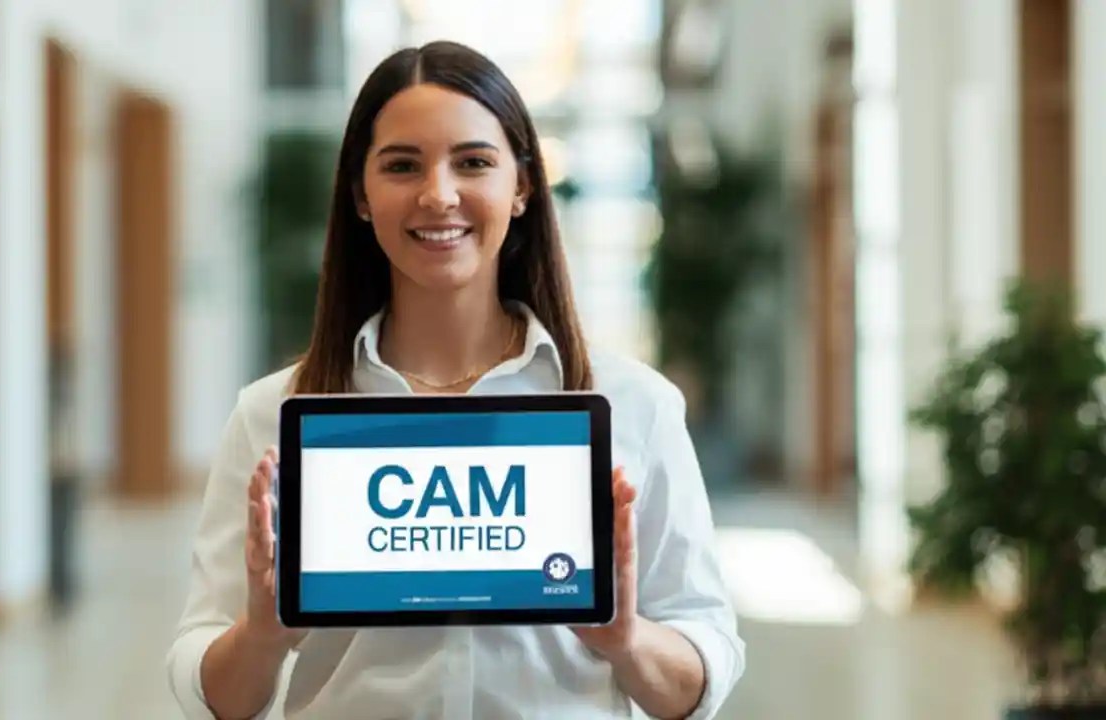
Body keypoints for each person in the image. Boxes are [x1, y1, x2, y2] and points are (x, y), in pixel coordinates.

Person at [167, 40, 744, 720]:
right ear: (360, 192)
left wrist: (626, 640)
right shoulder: (274, 415)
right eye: (402, 165)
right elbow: (213, 694)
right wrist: (262, 635)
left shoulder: (633, 406)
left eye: (473, 162)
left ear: (523, 185)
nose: (438, 194)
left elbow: (703, 666)